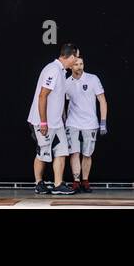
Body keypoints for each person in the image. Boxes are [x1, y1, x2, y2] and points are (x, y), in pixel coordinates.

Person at [28, 43, 79, 195]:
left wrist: (62, 117)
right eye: (75, 57)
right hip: (42, 122)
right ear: (69, 57)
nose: (76, 61)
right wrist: (43, 122)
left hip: (57, 122)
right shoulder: (53, 70)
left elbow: (59, 97)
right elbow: (43, 95)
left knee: (62, 152)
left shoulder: (62, 72)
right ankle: (38, 183)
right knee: (42, 154)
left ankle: (58, 185)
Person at [64, 56, 108, 192]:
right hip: (72, 122)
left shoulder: (93, 79)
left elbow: (102, 100)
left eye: (81, 64)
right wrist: (64, 120)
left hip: (90, 123)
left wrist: (103, 122)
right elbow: (63, 104)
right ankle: (76, 181)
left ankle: (85, 181)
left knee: (87, 153)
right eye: (76, 64)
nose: (79, 66)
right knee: (74, 152)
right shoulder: (66, 82)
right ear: (71, 66)